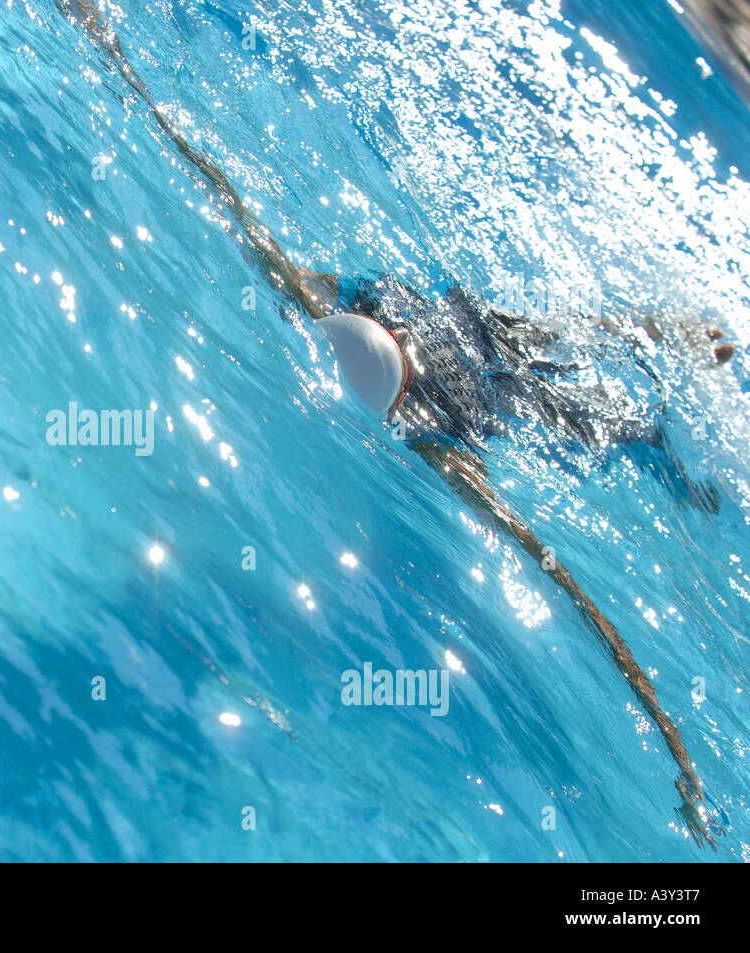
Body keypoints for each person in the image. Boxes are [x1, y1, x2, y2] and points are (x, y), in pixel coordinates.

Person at [56, 0, 725, 845]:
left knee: (621, 428)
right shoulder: (365, 301)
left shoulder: (432, 437)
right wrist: (114, 54)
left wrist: (681, 759)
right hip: (475, 322)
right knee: (575, 336)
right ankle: (675, 339)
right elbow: (222, 191)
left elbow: (571, 586)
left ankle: (688, 473)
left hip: (498, 395)